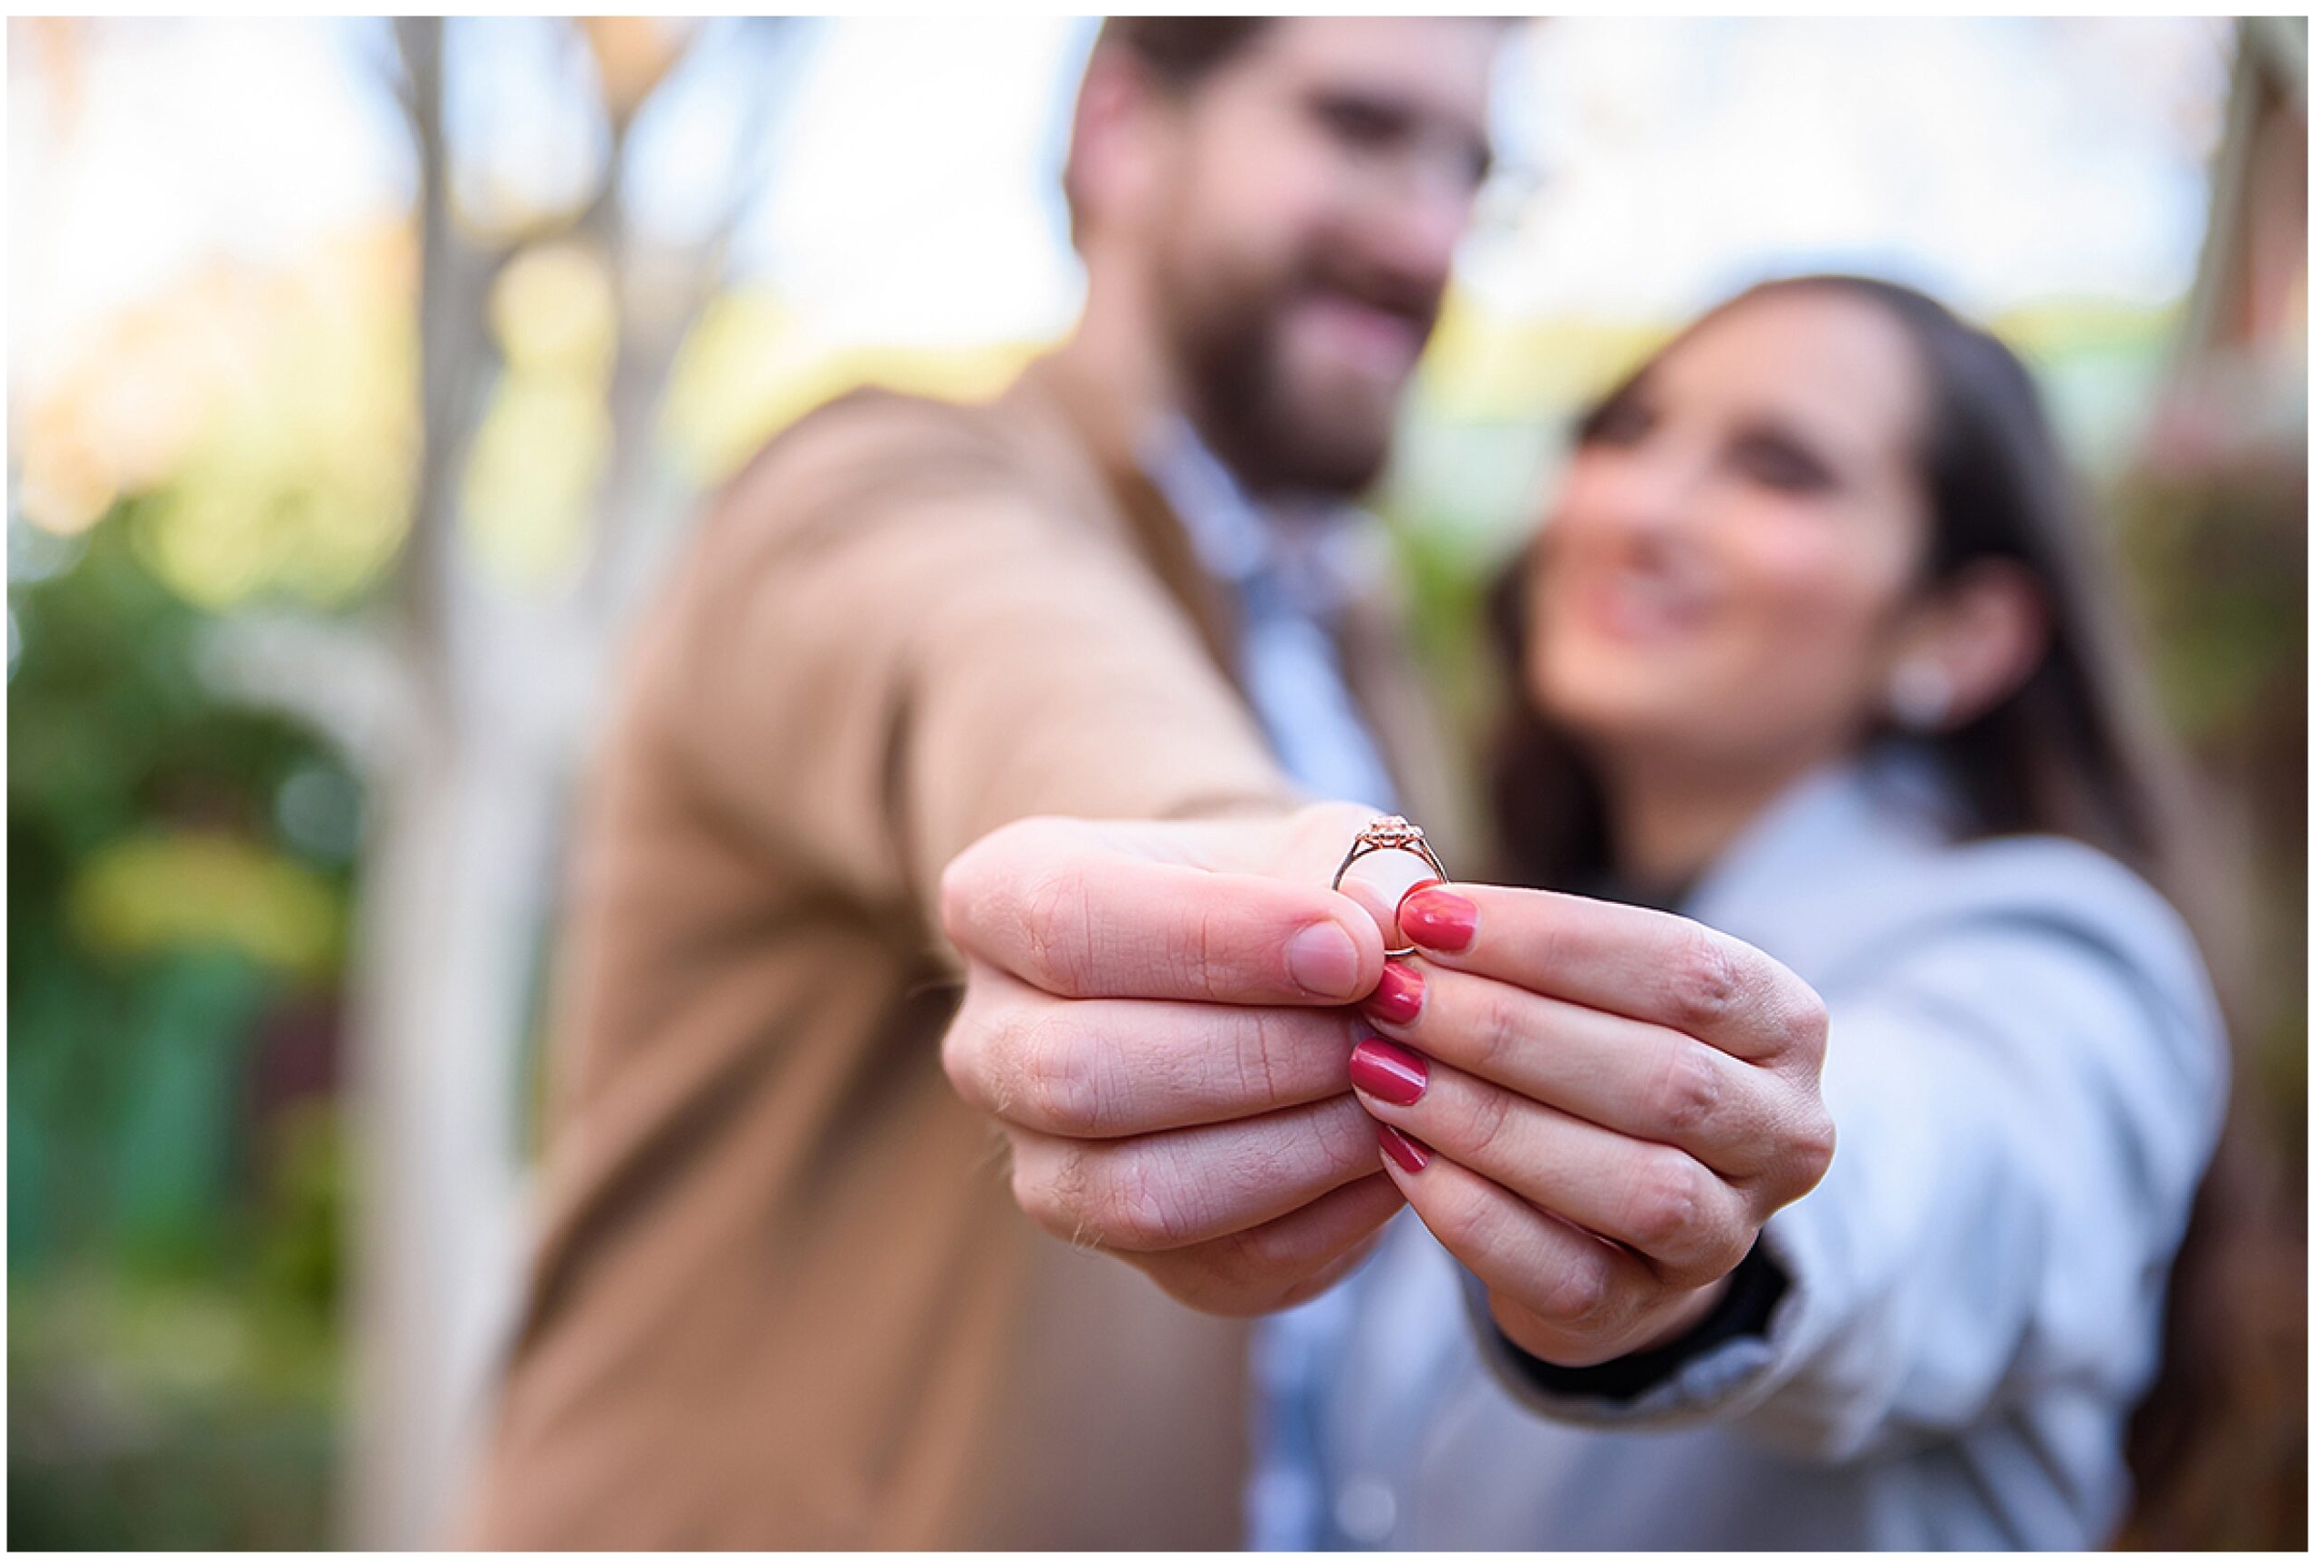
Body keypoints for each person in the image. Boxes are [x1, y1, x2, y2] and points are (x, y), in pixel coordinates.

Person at [935, 276, 2226, 1548]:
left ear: (1962, 629)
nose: (1641, 506)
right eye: (1623, 431)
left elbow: (1961, 1173)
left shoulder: (2067, 951)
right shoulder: (1483, 915)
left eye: (1779, 468)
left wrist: (1736, 1205)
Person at [463, 17, 1501, 1550]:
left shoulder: (1365, 644)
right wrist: (1228, 865)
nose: (1427, 235)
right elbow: (1018, 679)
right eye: (1356, 128)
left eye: (1469, 169)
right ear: (1124, 127)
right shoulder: (880, 484)